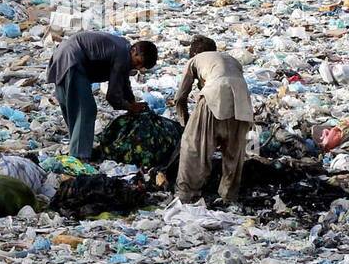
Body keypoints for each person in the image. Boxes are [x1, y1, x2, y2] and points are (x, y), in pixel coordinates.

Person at [47, 32, 158, 161]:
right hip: (73, 60)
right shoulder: (122, 55)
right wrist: (130, 107)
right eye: (138, 62)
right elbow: (112, 96)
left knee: (72, 107)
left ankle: (77, 148)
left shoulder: (123, 49)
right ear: (134, 51)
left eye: (141, 67)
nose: (137, 67)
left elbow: (123, 81)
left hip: (63, 55)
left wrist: (132, 102)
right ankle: (78, 156)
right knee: (86, 110)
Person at [174, 36, 253, 204]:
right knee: (233, 152)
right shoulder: (230, 59)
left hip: (214, 96)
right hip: (242, 102)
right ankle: (228, 196)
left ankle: (186, 195)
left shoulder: (195, 60)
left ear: (193, 52)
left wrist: (185, 122)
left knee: (194, 147)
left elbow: (180, 97)